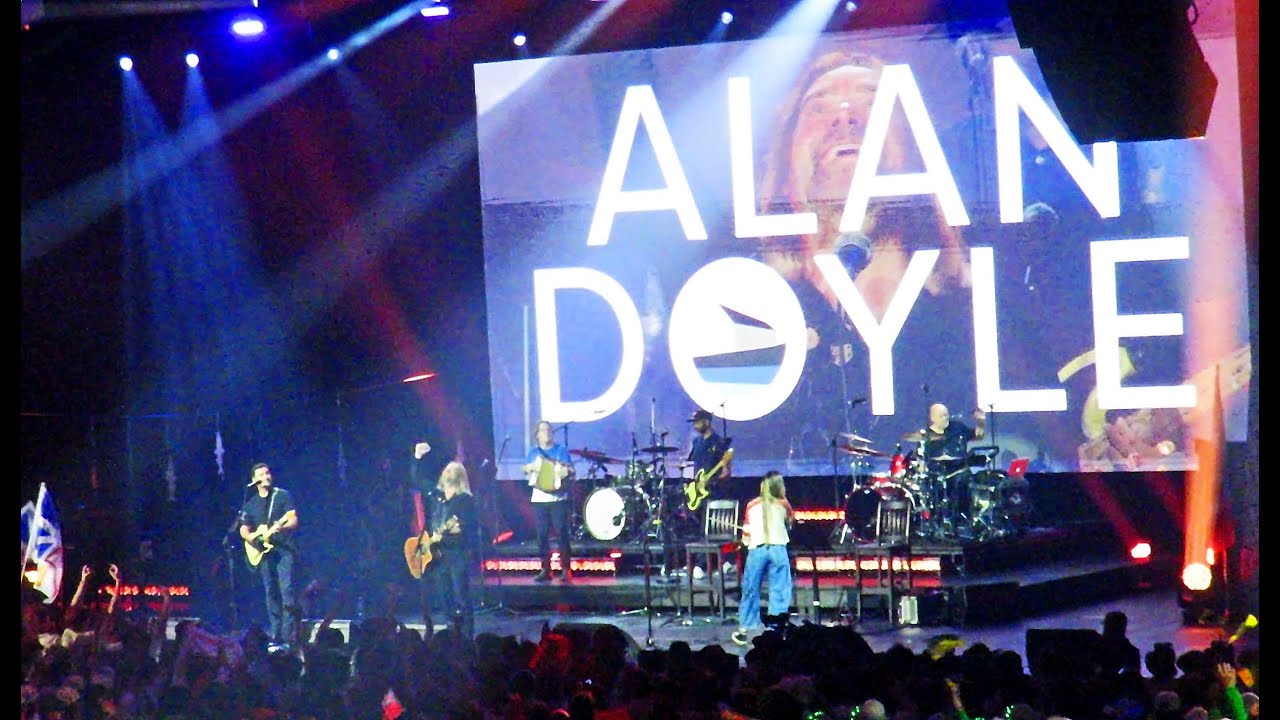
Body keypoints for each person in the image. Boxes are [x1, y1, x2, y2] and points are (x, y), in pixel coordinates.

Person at [753, 48, 975, 459]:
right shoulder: (751, 304)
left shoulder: (969, 304)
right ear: (784, 162)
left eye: (872, 101)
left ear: (913, 145)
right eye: (818, 108)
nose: (845, 117)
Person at [238, 462, 300, 652]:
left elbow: (293, 519)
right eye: (262, 473)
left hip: (283, 550)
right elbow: (243, 529)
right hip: (264, 552)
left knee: (286, 590)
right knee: (270, 591)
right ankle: (276, 634)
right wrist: (253, 540)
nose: (266, 475)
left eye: (268, 472)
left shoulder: (282, 495)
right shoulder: (251, 503)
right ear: (254, 480)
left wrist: (283, 527)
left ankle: (288, 636)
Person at [732, 471, 793, 646]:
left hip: (757, 549)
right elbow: (789, 524)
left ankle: (745, 628)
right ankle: (776, 628)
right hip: (777, 548)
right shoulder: (784, 504)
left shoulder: (751, 505)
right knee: (779, 588)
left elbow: (746, 532)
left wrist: (744, 541)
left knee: (751, 588)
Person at [420, 460, 479, 638]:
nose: (449, 472)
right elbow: (418, 480)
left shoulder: (464, 500)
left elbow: (466, 527)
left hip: (457, 553)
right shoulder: (437, 495)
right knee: (444, 596)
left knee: (461, 595)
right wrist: (417, 459)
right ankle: (451, 631)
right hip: (438, 554)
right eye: (448, 469)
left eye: (453, 471)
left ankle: (468, 636)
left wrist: (447, 534)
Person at [918, 403, 986, 533]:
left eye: (946, 414)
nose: (946, 418)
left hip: (959, 469)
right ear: (932, 418)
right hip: (937, 473)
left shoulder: (958, 427)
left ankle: (967, 520)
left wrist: (981, 422)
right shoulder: (926, 436)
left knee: (966, 482)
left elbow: (978, 436)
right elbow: (921, 460)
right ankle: (940, 520)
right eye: (942, 416)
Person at [522, 420, 575, 583]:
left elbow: (571, 470)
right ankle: (546, 568)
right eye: (543, 430)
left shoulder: (561, 451)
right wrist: (531, 467)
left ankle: (565, 569)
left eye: (549, 430)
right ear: (537, 435)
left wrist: (564, 471)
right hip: (539, 498)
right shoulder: (533, 453)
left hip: (558, 498)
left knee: (561, 533)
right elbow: (524, 469)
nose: (547, 432)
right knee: (542, 534)